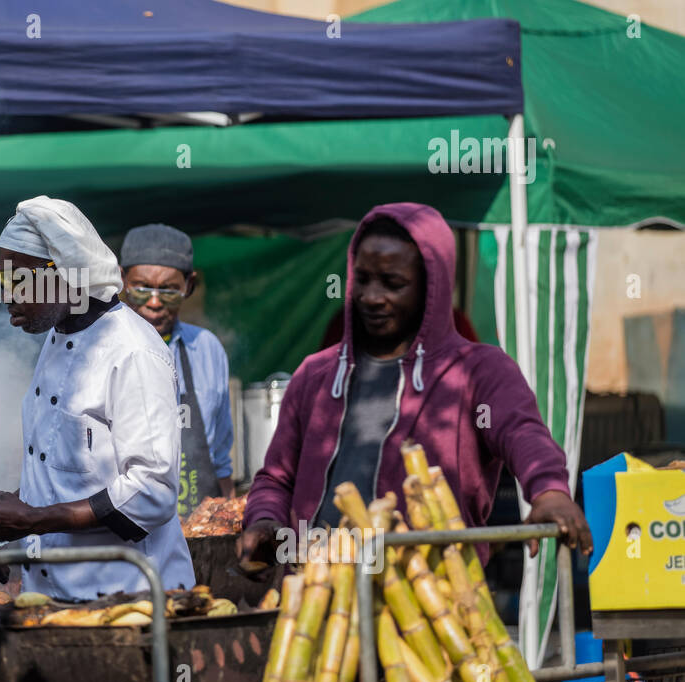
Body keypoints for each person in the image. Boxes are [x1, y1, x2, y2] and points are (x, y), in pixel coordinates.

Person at [237, 202, 591, 572]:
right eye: (363, 279)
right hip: (320, 600)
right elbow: (276, 478)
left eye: (394, 284)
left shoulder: (479, 371)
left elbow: (522, 432)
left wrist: (549, 491)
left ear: (432, 286)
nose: (373, 297)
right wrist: (265, 521)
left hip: (433, 599)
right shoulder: (315, 375)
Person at [0, 196, 196, 600]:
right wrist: (5, 518)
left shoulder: (133, 351)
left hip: (129, 601)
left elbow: (153, 492)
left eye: (16, 279)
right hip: (51, 598)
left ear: (65, 272)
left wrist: (32, 519)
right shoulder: (57, 337)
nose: (4, 294)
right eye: (0, 279)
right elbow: (65, 471)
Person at [119, 223, 235, 513]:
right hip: (127, 529)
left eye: (169, 291)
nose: (155, 303)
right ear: (122, 281)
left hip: (199, 529)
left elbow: (220, 458)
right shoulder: (104, 349)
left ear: (189, 285)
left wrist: (230, 518)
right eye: (142, 289)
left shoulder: (207, 350)